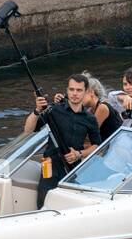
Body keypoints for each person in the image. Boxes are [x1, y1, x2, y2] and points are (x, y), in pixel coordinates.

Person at [22, 74, 102, 207]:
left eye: (79, 90)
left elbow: (97, 146)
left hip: (73, 169)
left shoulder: (90, 119)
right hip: (50, 165)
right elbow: (28, 130)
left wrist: (79, 154)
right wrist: (36, 111)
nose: (74, 93)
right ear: (67, 90)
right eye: (71, 89)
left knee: (69, 206)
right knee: (43, 203)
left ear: (86, 92)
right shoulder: (53, 110)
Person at [81, 73, 123, 141]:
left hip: (118, 146)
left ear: (91, 92)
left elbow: (88, 136)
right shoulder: (91, 110)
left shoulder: (102, 107)